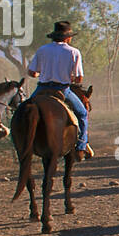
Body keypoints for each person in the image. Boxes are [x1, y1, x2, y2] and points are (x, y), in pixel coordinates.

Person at [26, 21, 93, 160]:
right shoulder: (74, 52)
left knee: (23, 109)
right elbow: (79, 79)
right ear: (67, 37)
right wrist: (69, 77)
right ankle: (81, 146)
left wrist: (41, 74)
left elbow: (32, 72)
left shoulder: (42, 50)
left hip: (42, 89)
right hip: (62, 89)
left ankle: (21, 142)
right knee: (82, 113)